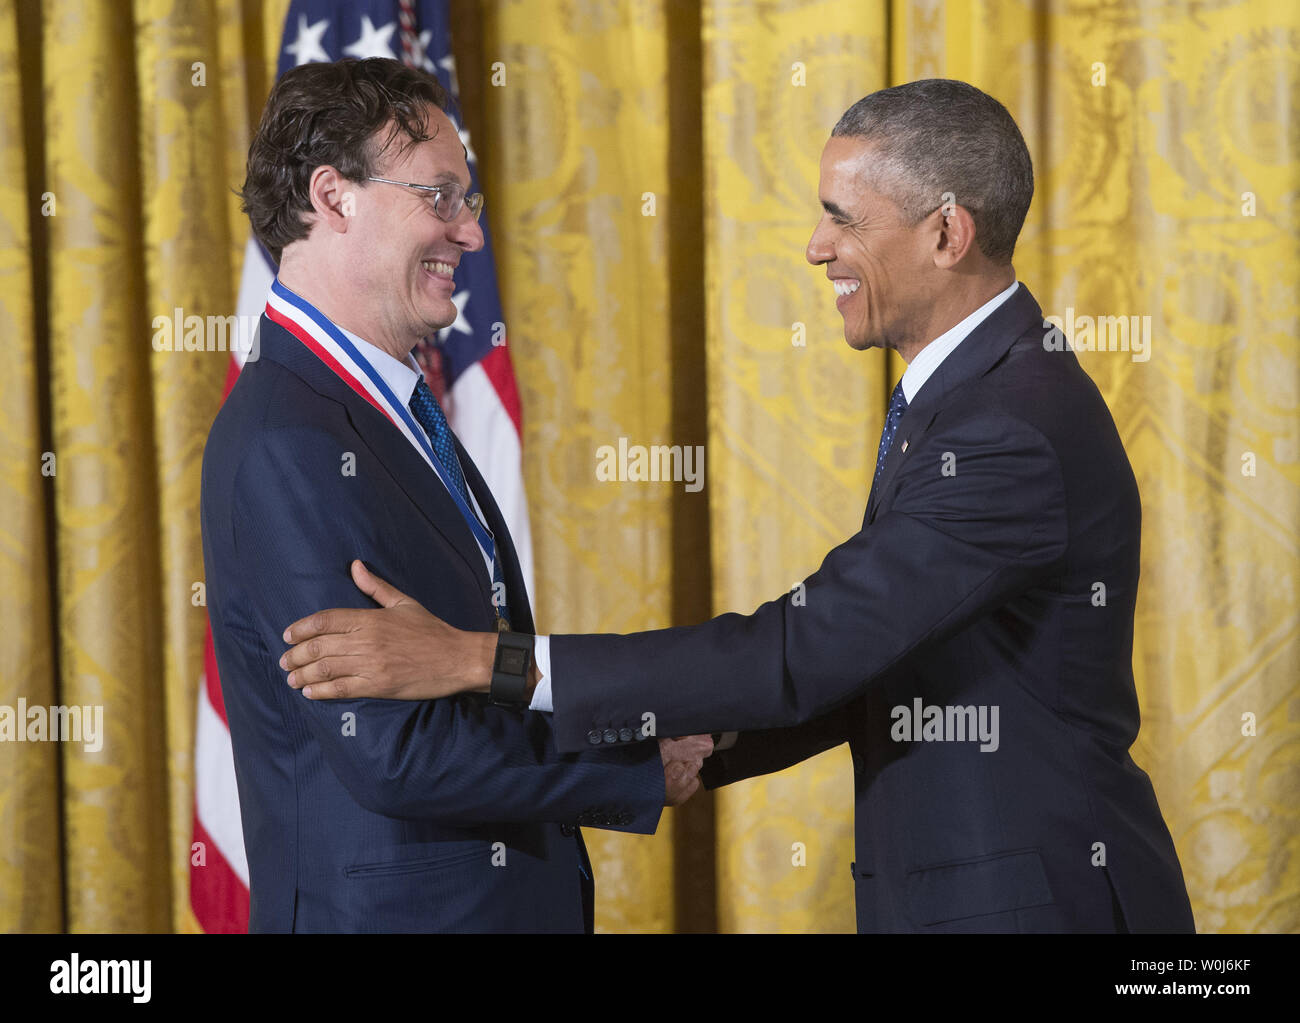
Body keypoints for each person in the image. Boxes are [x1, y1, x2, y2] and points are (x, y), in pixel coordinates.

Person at [278, 79, 1196, 933]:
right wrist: (675, 756)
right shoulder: (968, 395)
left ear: (946, 233)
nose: (816, 245)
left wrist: (482, 661)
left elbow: (803, 651)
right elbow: (874, 663)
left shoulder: (1008, 426)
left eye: (843, 218)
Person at [200, 57, 711, 934]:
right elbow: (394, 749)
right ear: (333, 197)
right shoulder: (292, 439)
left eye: (465, 201)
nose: (470, 235)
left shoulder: (388, 410)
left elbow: (475, 673)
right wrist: (631, 763)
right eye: (440, 197)